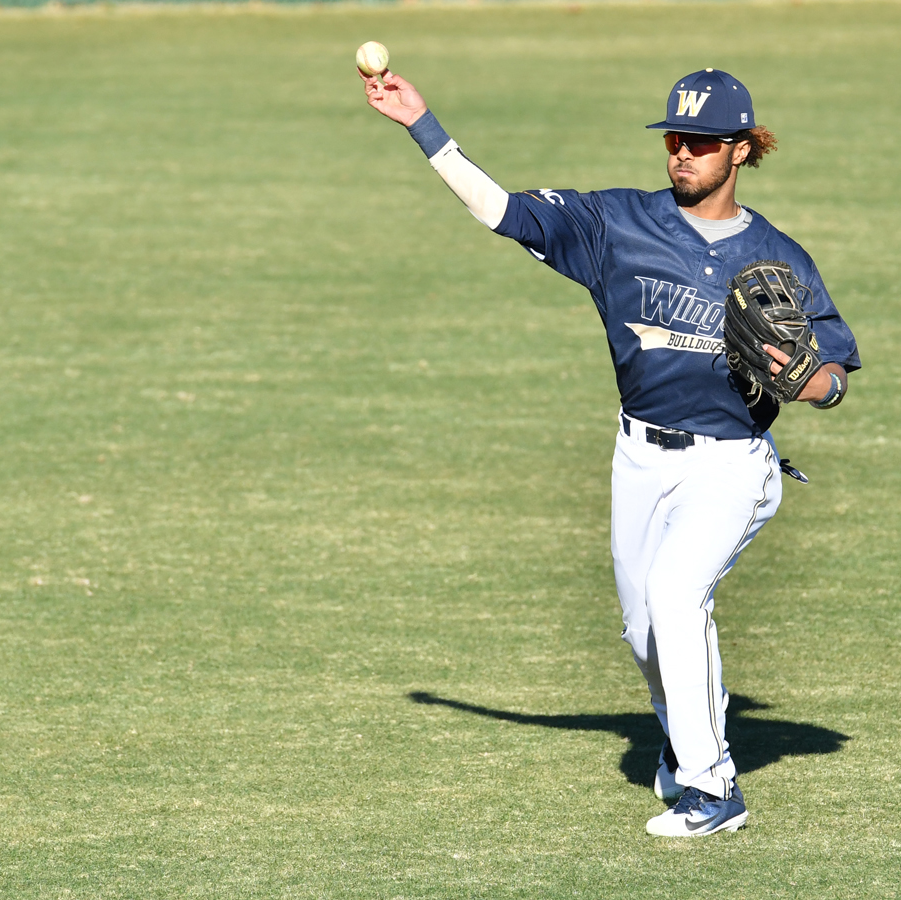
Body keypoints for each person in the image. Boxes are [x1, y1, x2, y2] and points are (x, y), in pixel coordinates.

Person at [362, 65, 860, 837]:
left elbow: (833, 375)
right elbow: (504, 212)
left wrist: (811, 385)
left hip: (730, 464)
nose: (682, 153)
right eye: (674, 140)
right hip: (639, 459)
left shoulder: (778, 254)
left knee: (675, 594)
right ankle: (686, 735)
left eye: (699, 142)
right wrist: (425, 129)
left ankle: (712, 789)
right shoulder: (615, 225)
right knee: (643, 632)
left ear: (739, 150)